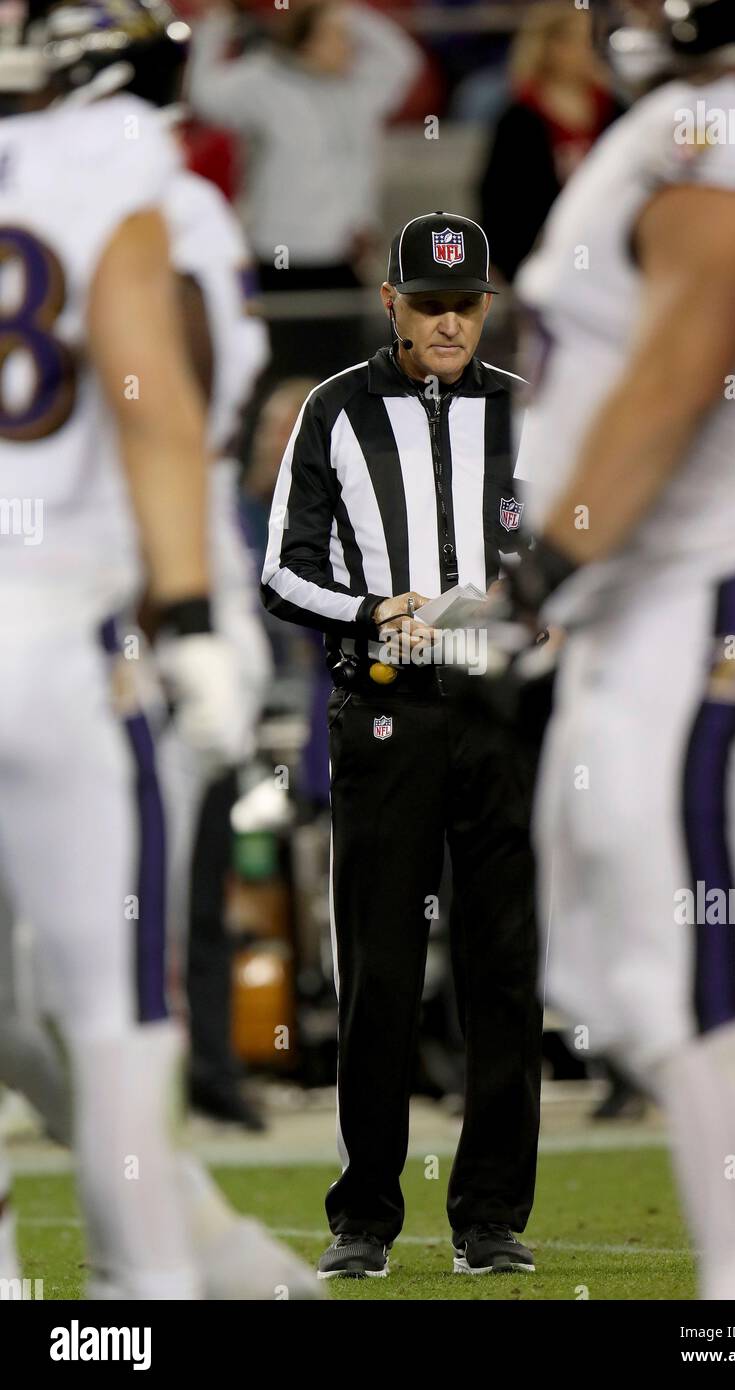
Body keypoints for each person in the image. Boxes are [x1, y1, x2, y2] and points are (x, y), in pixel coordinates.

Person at [517, 0, 735, 1299]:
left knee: (696, 981)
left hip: (709, 594)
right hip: (646, 605)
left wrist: (545, 561)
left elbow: (676, 370)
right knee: (624, 983)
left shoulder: (731, 134)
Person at [0, 2, 320, 1299]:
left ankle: (181, 1262)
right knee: (104, 1005)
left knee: (53, 1005)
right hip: (106, 612)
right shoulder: (136, 184)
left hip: (102, 601)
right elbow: (159, 393)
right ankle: (173, 1272)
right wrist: (189, 613)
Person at [262, 212, 543, 1279]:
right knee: (379, 968)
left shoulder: (526, 411)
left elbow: (576, 543)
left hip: (501, 718)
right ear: (389, 301)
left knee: (504, 969)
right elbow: (282, 573)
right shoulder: (334, 408)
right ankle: (364, 1216)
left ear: (484, 303)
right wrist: (377, 607)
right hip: (384, 714)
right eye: (426, 303)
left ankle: (487, 1216)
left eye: (463, 302)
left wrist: (545, 612)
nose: (445, 321)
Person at [186, 0, 422, 374]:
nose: (350, 45)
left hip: (344, 258)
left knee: (341, 375)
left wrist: (346, 11)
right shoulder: (260, 81)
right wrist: (215, 28)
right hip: (280, 258)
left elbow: (403, 59)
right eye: (337, 37)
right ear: (306, 43)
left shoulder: (359, 88)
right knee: (280, 372)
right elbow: (204, 95)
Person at [479, 4, 614, 283]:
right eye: (573, 40)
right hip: (543, 258)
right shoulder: (518, 119)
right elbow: (499, 198)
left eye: (591, 39)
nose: (585, 51)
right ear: (547, 45)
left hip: (609, 253)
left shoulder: (615, 110)